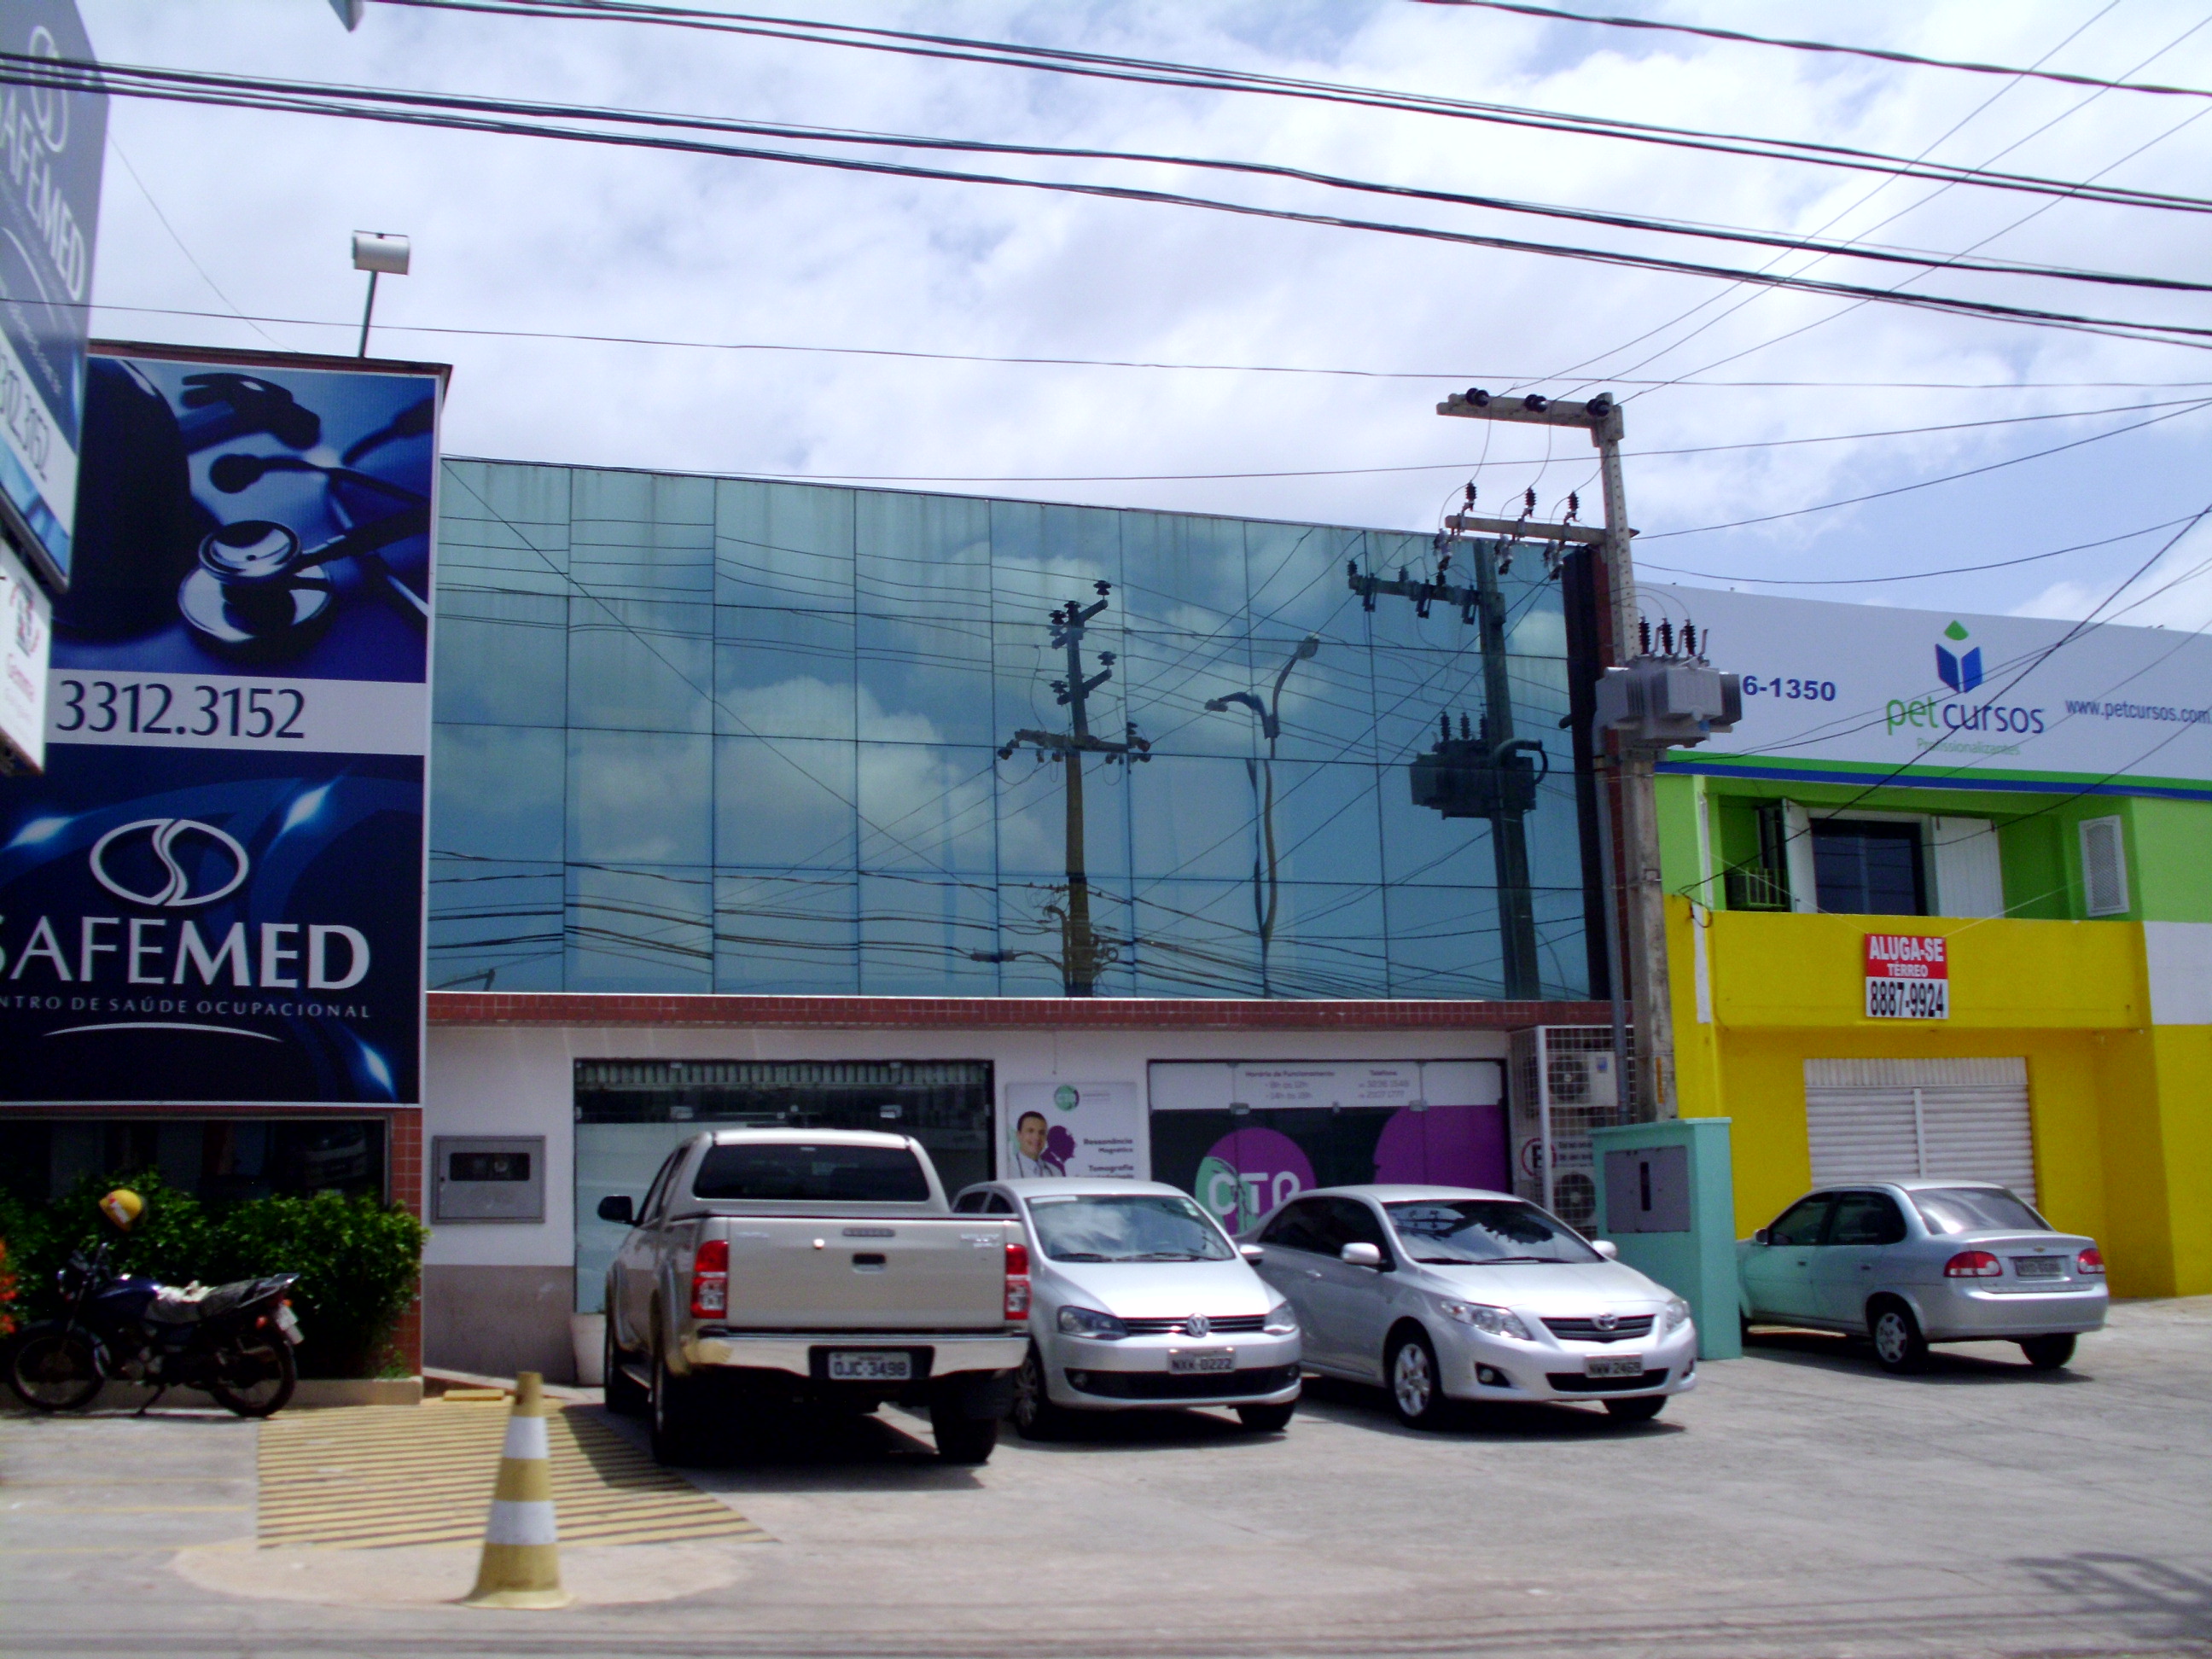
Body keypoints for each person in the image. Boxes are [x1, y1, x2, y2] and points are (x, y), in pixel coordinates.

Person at [1010, 1111, 1065, 1178]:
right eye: (1031, 1131)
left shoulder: (1055, 1172)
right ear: (1019, 1135)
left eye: (1041, 1132)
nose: (1037, 1137)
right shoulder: (1007, 1169)